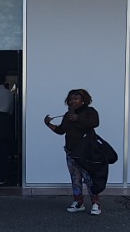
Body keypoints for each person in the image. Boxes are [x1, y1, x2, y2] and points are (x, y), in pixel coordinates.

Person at [43, 88, 102, 216]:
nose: (72, 101)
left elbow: (95, 123)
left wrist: (78, 118)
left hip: (86, 152)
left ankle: (95, 203)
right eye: (70, 99)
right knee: (75, 178)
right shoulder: (67, 115)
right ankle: (78, 202)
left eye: (76, 99)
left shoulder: (89, 111)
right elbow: (61, 130)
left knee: (89, 178)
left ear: (83, 100)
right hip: (71, 151)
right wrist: (48, 124)